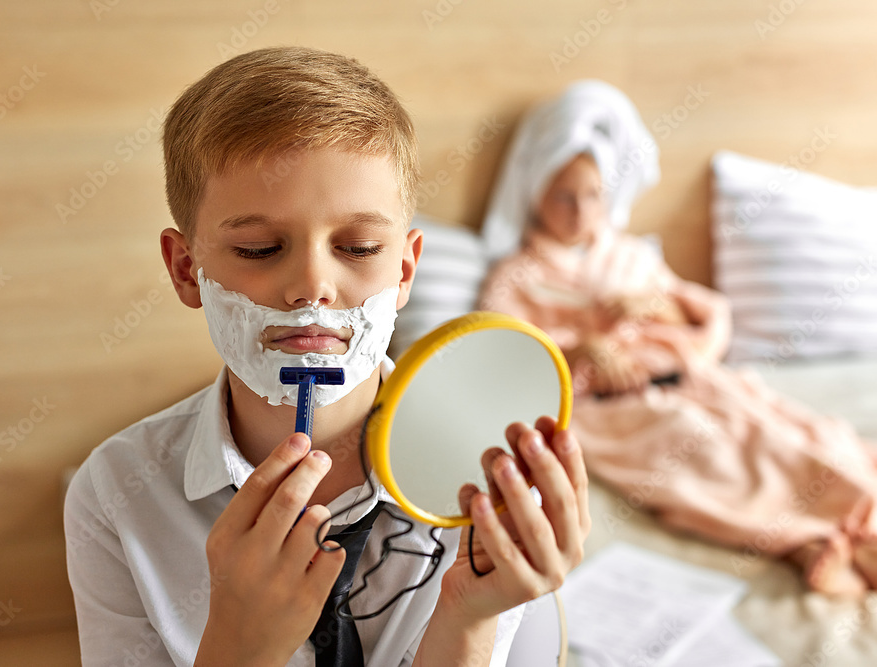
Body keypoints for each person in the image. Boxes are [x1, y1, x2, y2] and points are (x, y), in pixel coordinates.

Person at [64, 47, 590, 666]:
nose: (312, 285)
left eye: (360, 247)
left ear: (405, 270)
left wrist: (470, 616)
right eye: (260, 248)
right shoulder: (117, 497)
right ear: (186, 269)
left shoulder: (481, 472)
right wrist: (238, 645)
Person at [478, 80, 877, 597]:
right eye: (564, 196)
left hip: (692, 376)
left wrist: (652, 305)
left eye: (593, 196)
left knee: (788, 435)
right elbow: (500, 360)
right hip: (615, 407)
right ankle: (808, 538)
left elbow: (707, 319)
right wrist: (579, 350)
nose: (580, 212)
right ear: (536, 192)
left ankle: (859, 523)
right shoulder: (516, 276)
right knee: (705, 454)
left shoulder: (630, 256)